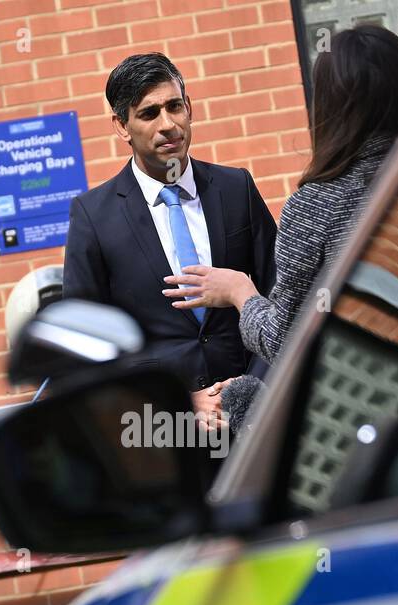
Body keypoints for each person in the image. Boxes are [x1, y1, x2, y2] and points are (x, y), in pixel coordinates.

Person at [161, 25, 398, 421]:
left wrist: (241, 292)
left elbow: (286, 339)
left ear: (330, 106)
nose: (168, 124)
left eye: (175, 107)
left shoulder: (318, 202)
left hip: (386, 423)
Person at [63, 53, 278, 425]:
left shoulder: (235, 188)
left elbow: (281, 296)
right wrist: (174, 404)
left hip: (259, 423)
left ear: (189, 107)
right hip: (164, 438)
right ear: (121, 126)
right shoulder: (93, 217)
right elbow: (86, 351)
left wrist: (252, 390)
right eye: (149, 114)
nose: (168, 125)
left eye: (174, 106)